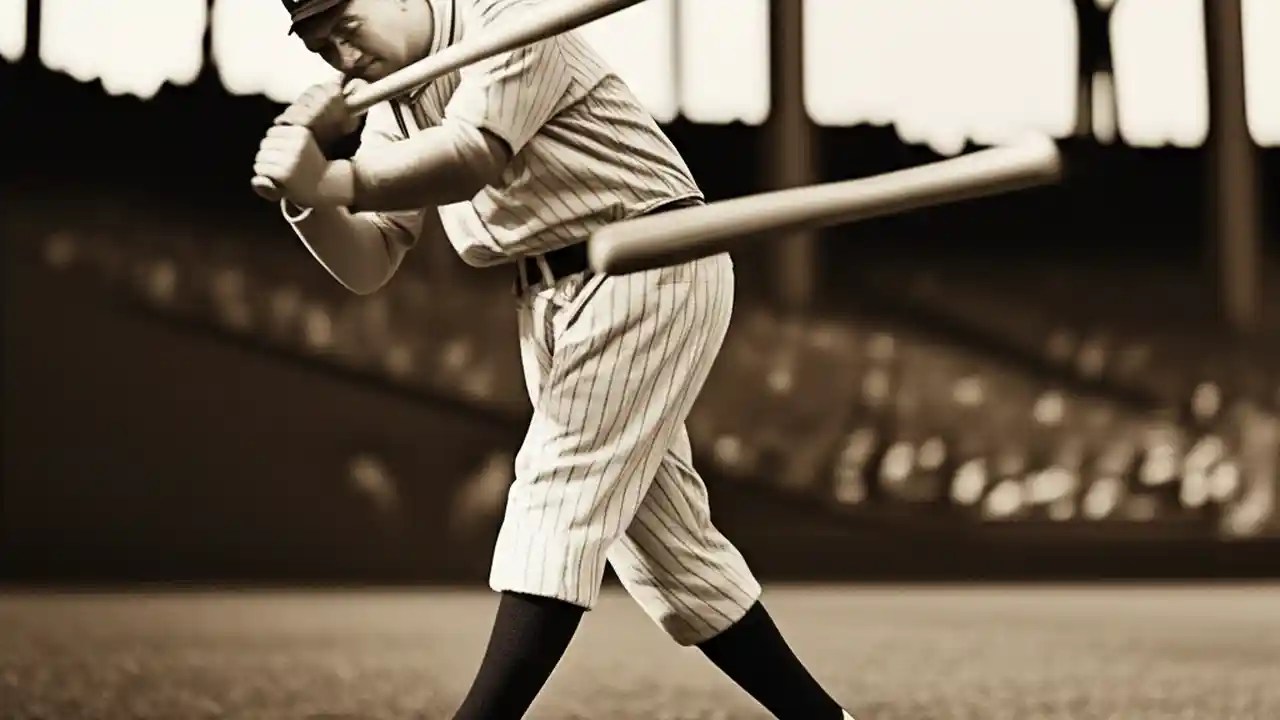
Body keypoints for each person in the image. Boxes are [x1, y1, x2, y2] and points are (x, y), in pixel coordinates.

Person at [254, 1, 856, 718]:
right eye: (320, 45)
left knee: (554, 497)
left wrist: (332, 179)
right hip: (549, 295)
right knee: (673, 557)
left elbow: (474, 153)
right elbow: (371, 259)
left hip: (643, 255)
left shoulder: (504, 12)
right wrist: (305, 199)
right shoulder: (397, 97)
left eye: (346, 26)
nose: (342, 56)